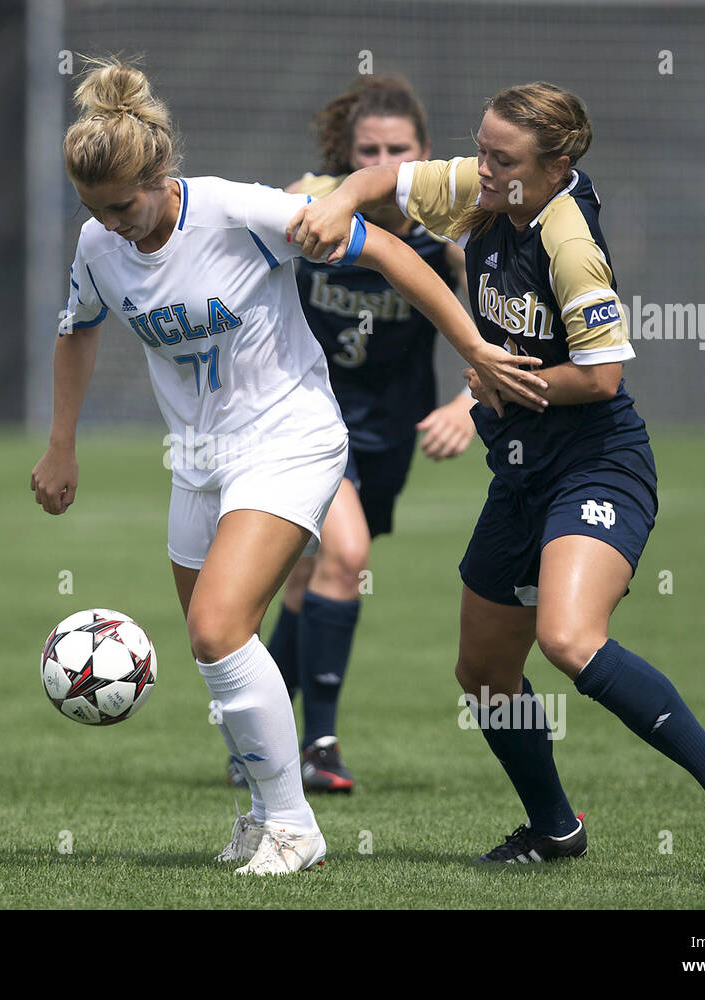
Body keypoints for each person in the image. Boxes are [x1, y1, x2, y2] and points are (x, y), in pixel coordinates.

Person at [31, 59, 539, 875]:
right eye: (95, 210)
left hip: (288, 439)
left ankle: (297, 828)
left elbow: (388, 253)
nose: (112, 224)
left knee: (217, 627)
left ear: (159, 177)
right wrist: (63, 444)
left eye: (123, 205)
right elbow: (77, 328)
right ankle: (266, 815)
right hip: (197, 460)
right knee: (215, 648)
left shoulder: (237, 211)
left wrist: (473, 348)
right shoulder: (100, 244)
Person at [288, 81, 705, 862]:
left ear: (554, 168)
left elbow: (603, 377)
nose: (483, 168)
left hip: (596, 465)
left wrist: (497, 380)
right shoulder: (485, 193)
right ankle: (555, 829)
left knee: (568, 638)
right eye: (480, 149)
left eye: (504, 159)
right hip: (520, 478)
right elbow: (384, 179)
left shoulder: (569, 242)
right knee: (484, 671)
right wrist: (343, 197)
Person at [235, 76, 476, 794]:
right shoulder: (309, 207)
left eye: (397, 149)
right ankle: (318, 745)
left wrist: (468, 402)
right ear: (347, 156)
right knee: (346, 555)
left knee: (311, 577)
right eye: (367, 150)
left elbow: (501, 327)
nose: (381, 161)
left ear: (424, 154)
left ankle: (253, 742)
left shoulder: (451, 228)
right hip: (307, 420)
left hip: (392, 429)